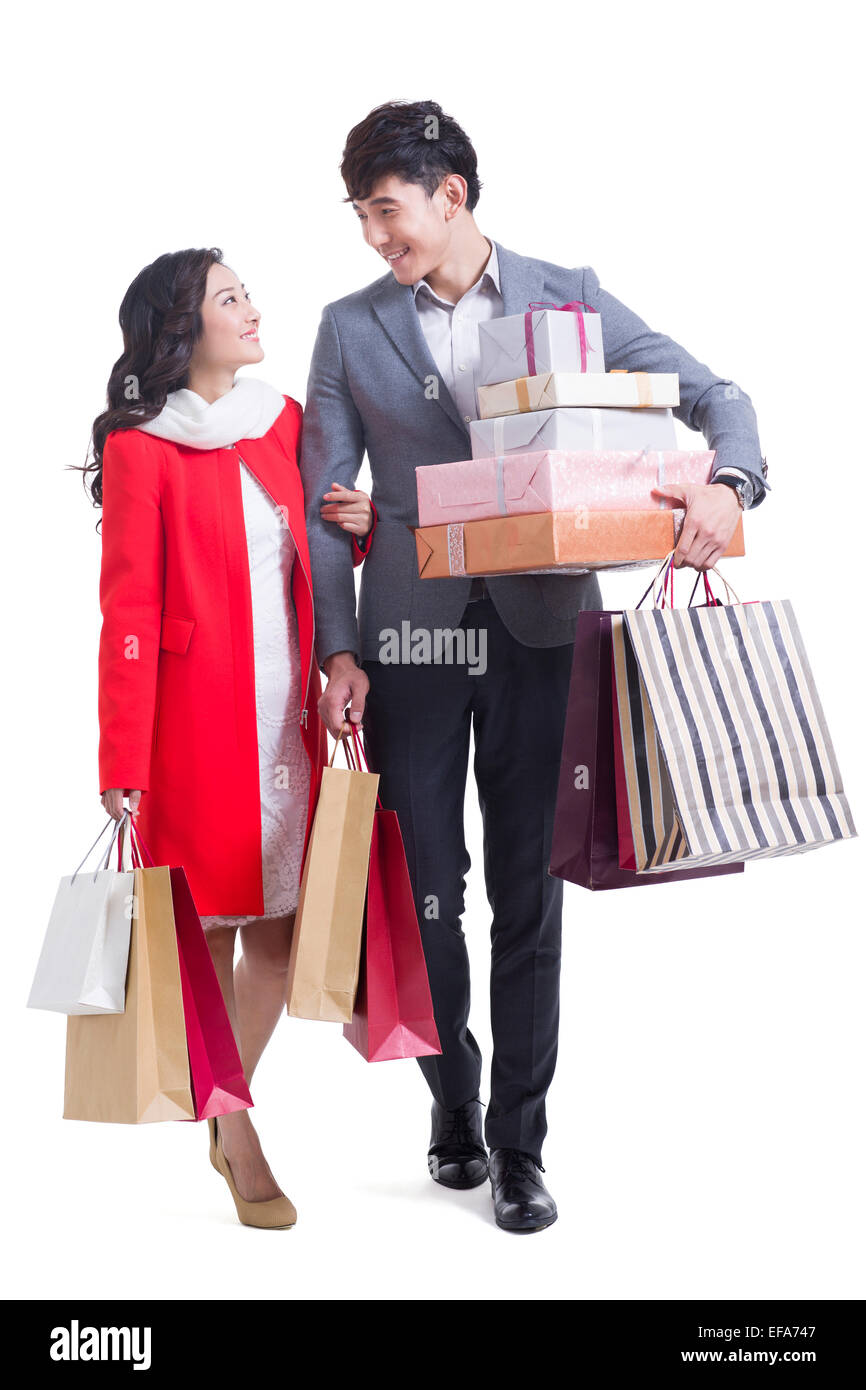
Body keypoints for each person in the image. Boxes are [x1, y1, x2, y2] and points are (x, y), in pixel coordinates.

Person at [298, 100, 769, 1234]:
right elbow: (325, 510)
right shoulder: (349, 327)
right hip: (410, 640)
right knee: (424, 899)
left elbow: (717, 398)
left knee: (526, 897)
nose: (374, 236)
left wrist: (728, 483)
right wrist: (338, 648)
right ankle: (449, 1101)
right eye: (362, 216)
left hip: (542, 632)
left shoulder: (569, 296)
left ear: (448, 193)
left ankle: (518, 1143)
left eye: (386, 210)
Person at [80, 247, 375, 1229]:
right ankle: (238, 1128)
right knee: (209, 936)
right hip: (192, 730)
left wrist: (362, 526)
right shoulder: (141, 449)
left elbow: (318, 541)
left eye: (246, 292)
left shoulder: (279, 422)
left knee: (283, 945)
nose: (252, 309)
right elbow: (125, 612)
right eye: (229, 298)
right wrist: (120, 761)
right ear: (182, 328)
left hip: (286, 720)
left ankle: (219, 1096)